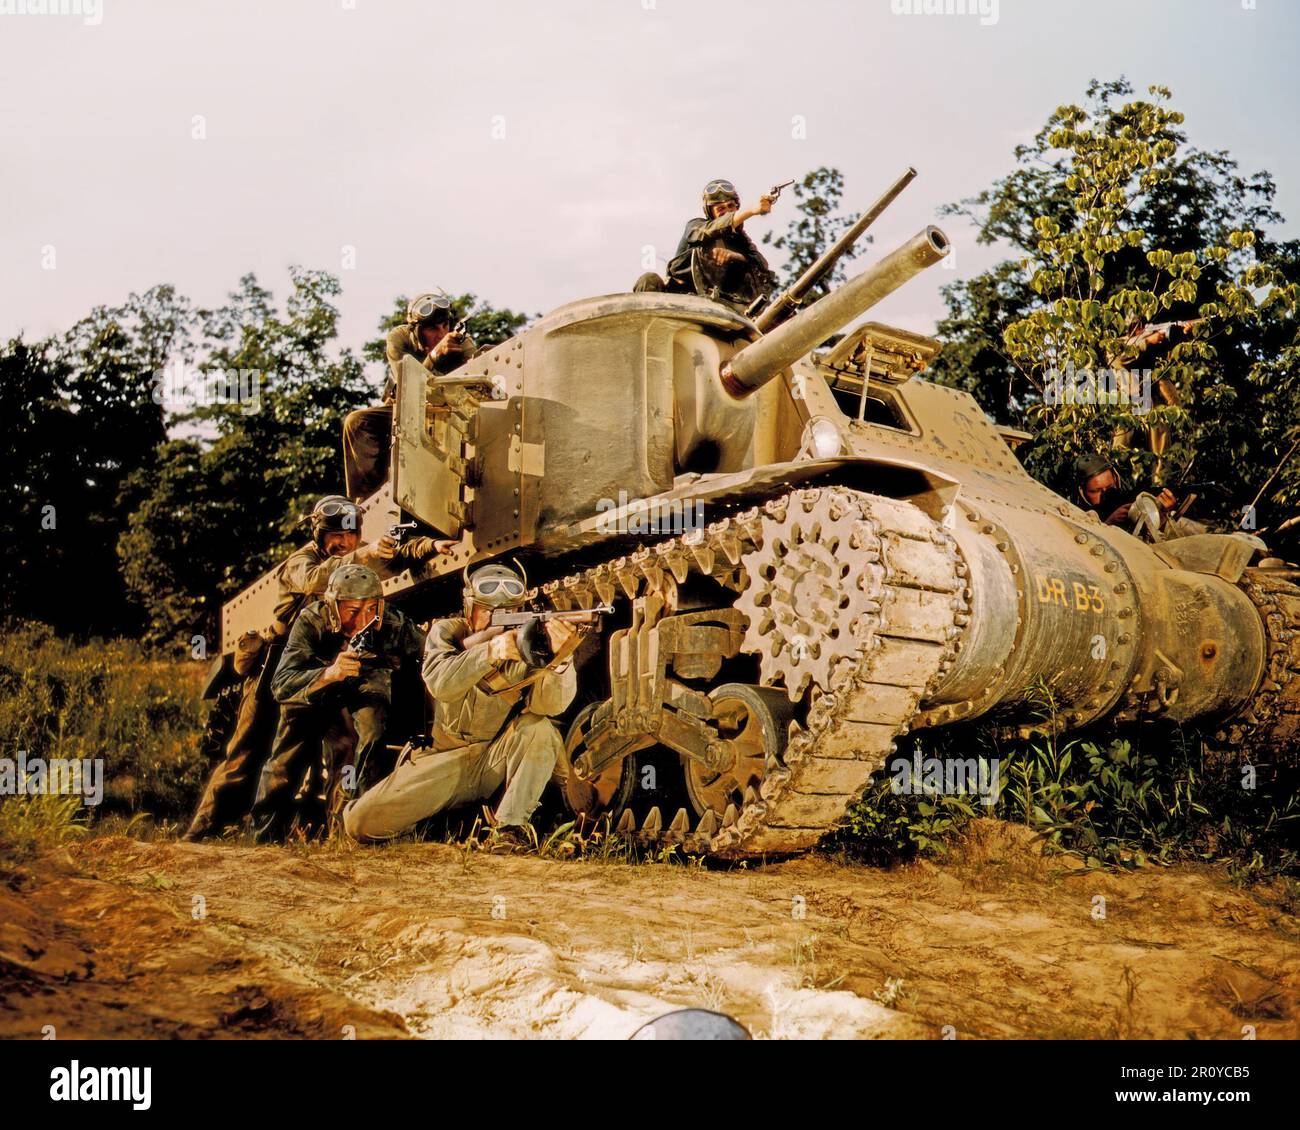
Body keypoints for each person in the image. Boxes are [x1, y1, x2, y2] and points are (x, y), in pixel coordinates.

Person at [181, 496, 450, 841]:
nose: (343, 542)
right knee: (249, 752)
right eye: (333, 536)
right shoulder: (302, 561)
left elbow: (398, 557)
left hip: (332, 664)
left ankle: (340, 834)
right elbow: (314, 580)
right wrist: (365, 554)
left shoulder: (353, 563)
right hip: (280, 661)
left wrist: (431, 545)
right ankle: (201, 834)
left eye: (350, 535)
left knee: (343, 747)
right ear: (319, 535)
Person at [342, 562, 593, 848]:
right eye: (486, 610)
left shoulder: (526, 641)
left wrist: (560, 661)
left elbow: (551, 705)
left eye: (508, 612)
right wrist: (491, 650)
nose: (494, 618)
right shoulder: (446, 632)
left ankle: (510, 830)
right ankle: (430, 827)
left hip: (492, 759)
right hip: (442, 761)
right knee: (360, 824)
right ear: (468, 608)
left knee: (540, 729)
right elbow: (441, 683)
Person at [250, 564, 428, 842]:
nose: (362, 621)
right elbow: (281, 684)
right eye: (353, 611)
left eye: (371, 610)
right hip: (313, 688)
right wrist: (329, 673)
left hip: (364, 684)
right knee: (286, 759)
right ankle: (264, 839)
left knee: (366, 740)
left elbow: (431, 649)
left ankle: (351, 833)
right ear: (333, 607)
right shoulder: (311, 621)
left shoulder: (393, 623)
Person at [343, 291, 478, 501]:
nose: (442, 333)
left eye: (445, 325)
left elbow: (477, 372)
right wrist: (434, 357)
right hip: (404, 406)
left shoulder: (462, 342)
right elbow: (408, 385)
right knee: (357, 421)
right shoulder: (399, 338)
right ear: (417, 329)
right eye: (433, 328)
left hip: (447, 408)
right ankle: (364, 500)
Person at [634, 180, 778, 312]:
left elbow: (761, 268)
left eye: (730, 206)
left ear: (736, 206)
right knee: (649, 280)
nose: (727, 211)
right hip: (676, 301)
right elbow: (707, 231)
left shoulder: (741, 241)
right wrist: (750, 211)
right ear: (710, 213)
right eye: (720, 208)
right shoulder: (696, 226)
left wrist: (736, 256)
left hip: (721, 307)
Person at [1074, 453, 1178, 529]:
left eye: (1110, 487)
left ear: (1116, 480)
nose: (1104, 495)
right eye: (1096, 491)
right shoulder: (1075, 514)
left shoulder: (1127, 497)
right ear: (1082, 492)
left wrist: (1161, 511)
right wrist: (1108, 523)